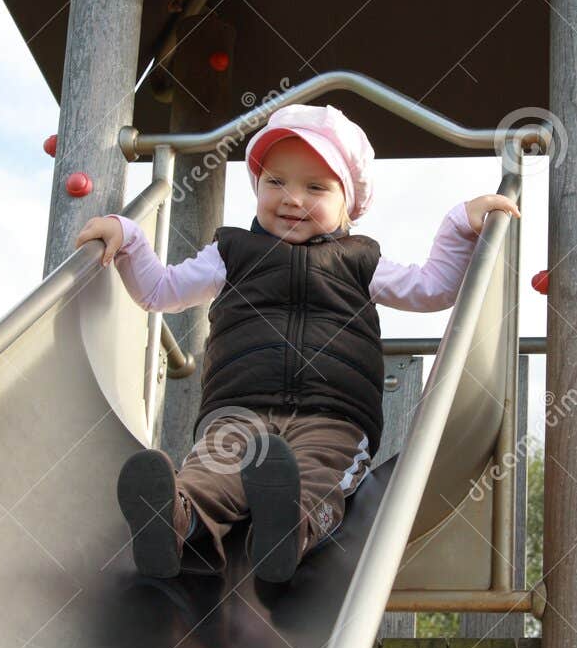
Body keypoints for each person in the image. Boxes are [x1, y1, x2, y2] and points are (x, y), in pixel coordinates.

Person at [74, 103, 519, 584]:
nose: (291, 198)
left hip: (333, 416)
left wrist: (460, 224)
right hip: (237, 409)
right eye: (276, 182)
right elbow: (161, 291)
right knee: (212, 472)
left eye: (315, 188)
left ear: (347, 202)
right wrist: (131, 238)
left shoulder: (361, 262)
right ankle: (174, 522)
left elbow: (434, 288)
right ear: (258, 186)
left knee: (316, 477)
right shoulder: (231, 254)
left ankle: (288, 533)